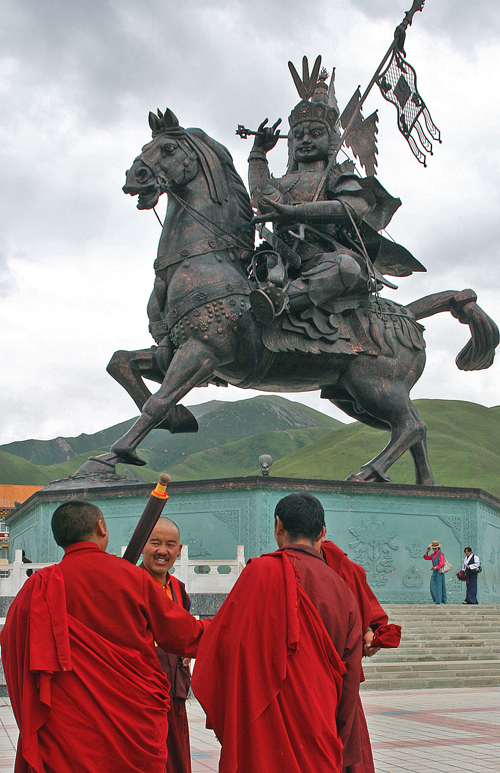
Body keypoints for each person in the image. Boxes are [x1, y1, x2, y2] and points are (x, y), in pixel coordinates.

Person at [1, 500, 209, 773]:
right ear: (101, 527)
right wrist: (232, 627)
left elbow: (12, 647)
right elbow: (185, 636)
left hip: (67, 729)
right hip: (131, 726)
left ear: (59, 539)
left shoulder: (37, 588)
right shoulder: (132, 578)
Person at [192, 493, 363, 773]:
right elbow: (351, 674)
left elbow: (222, 643)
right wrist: (337, 737)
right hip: (321, 727)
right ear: (321, 533)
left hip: (264, 729)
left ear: (278, 526)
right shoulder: (341, 589)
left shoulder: (260, 573)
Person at [247, 59, 422, 324]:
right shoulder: (283, 182)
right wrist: (258, 153)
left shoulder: (338, 174)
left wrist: (298, 211)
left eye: (315, 133)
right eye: (300, 135)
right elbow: (259, 197)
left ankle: (282, 301)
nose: (306, 140)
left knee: (346, 267)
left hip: (322, 257)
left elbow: (354, 207)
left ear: (330, 139)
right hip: (278, 257)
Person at [316, 536, 393, 773]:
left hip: (335, 683)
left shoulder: (340, 565)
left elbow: (366, 618)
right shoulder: (280, 569)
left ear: (279, 529)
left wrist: (368, 636)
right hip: (318, 684)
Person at [141, 518, 192, 773]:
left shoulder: (179, 590)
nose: (163, 550)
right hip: (142, 697)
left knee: (177, 761)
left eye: (170, 544)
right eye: (155, 543)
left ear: (179, 550)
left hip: (175, 694)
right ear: (142, 546)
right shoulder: (130, 585)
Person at [423, 540, 447, 604]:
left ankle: (439, 600)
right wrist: (427, 552)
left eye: (435, 548)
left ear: (438, 547)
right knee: (432, 585)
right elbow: (426, 557)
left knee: (439, 586)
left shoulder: (440, 554)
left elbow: (441, 563)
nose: (434, 549)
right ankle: (437, 599)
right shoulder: (433, 554)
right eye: (433, 548)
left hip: (439, 572)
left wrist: (435, 567)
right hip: (435, 571)